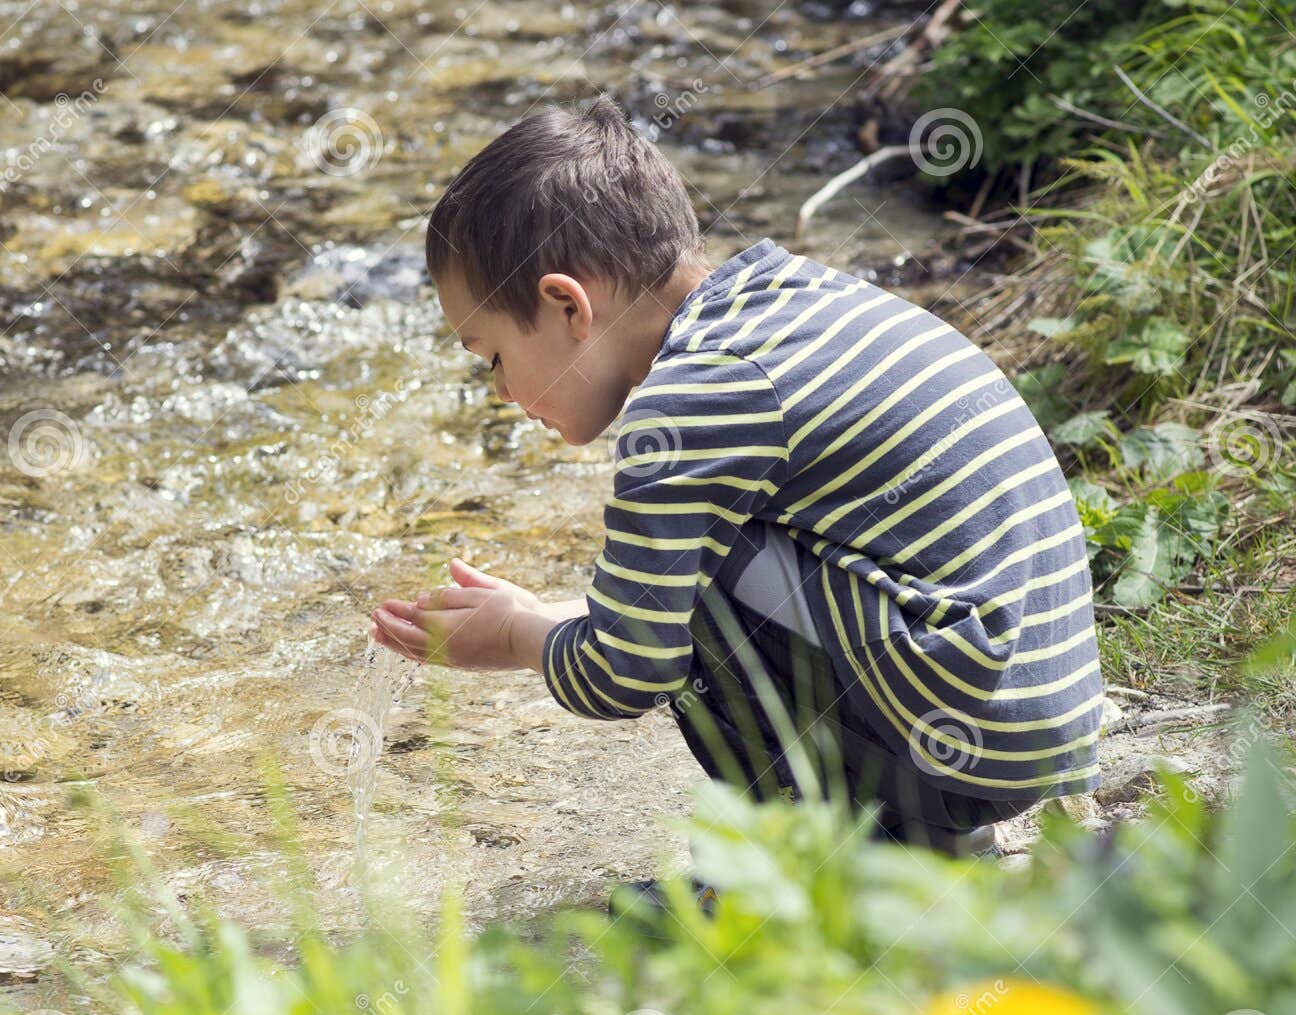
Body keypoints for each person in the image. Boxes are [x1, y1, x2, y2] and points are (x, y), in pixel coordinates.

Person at [369, 96, 1103, 856]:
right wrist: (545, 609)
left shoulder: (689, 399)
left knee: (699, 580)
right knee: (697, 563)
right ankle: (891, 843)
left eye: (491, 357)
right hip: (1028, 705)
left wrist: (520, 636)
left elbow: (627, 669)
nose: (499, 392)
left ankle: (825, 868)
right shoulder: (786, 303)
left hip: (968, 732)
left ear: (566, 304)